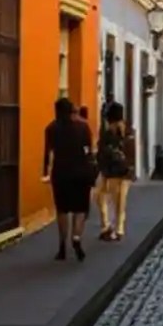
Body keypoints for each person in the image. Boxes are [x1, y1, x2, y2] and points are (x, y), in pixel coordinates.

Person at [43, 98, 95, 261]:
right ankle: (77, 237)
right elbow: (89, 151)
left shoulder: (51, 128)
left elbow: (48, 152)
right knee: (80, 209)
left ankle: (62, 246)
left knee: (62, 210)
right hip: (80, 172)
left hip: (61, 173)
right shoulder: (83, 127)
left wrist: (45, 171)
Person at [96, 102, 134, 242]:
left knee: (119, 200)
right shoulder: (108, 133)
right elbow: (101, 150)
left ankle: (117, 229)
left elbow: (130, 153)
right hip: (109, 171)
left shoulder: (126, 133)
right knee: (99, 196)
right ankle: (107, 226)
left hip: (121, 172)